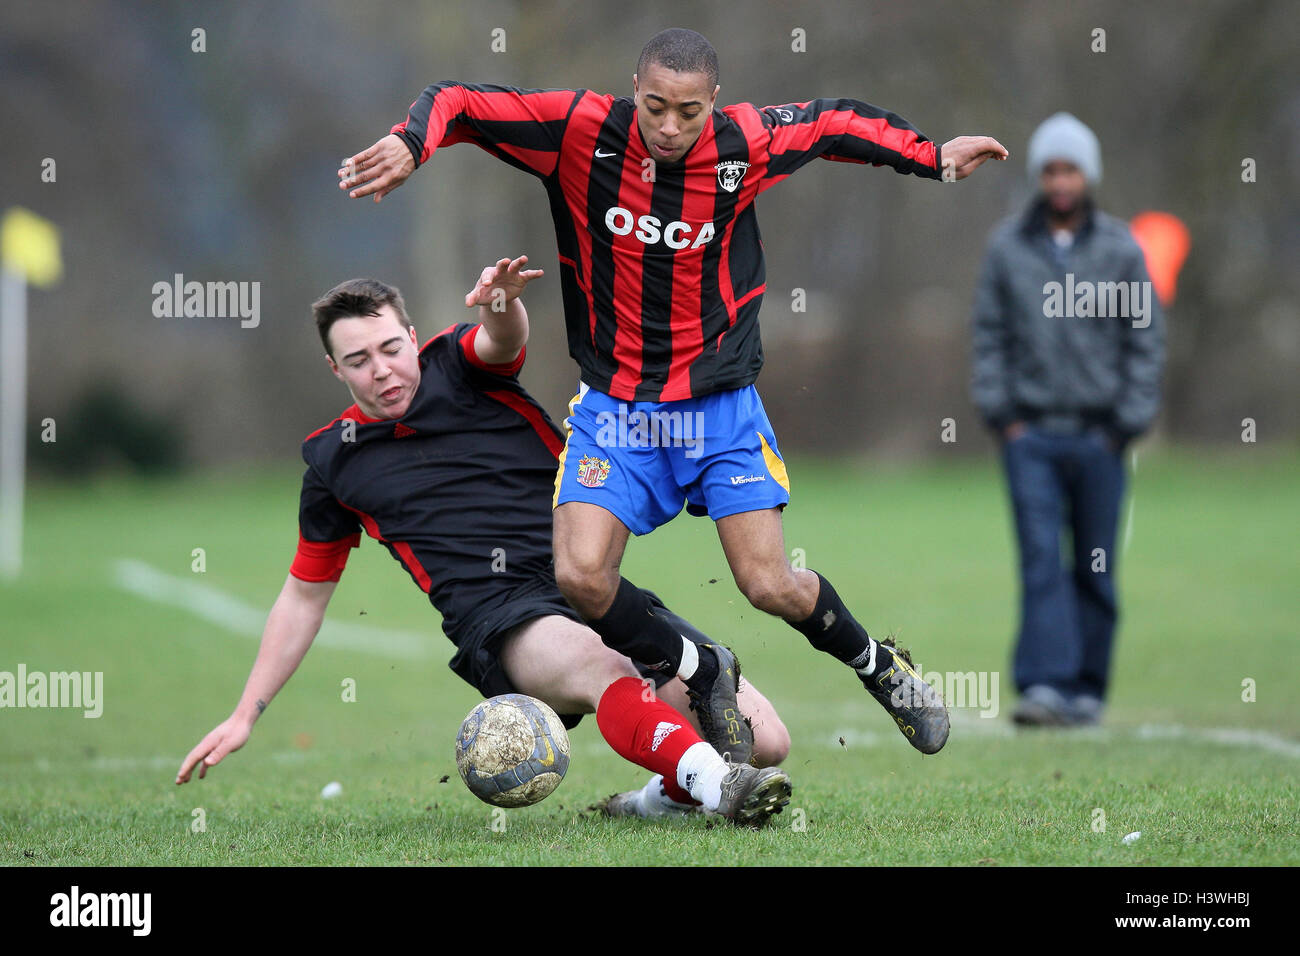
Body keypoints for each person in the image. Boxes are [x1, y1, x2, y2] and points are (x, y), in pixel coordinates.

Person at [339, 28, 1008, 757]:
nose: (668, 126)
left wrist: (932, 158)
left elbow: (833, 123)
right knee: (581, 575)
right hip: (617, 412)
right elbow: (462, 101)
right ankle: (699, 667)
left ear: (712, 103)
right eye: (655, 106)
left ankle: (880, 668)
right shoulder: (580, 132)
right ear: (635, 90)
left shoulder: (742, 146)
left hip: (719, 410)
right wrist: (414, 141)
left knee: (768, 584)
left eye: (688, 112)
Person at [175, 256, 792, 826]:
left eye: (391, 348)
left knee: (765, 738)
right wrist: (243, 714)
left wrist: (498, 302)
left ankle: (656, 802)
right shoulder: (332, 462)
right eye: (359, 360)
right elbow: (304, 597)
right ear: (335, 369)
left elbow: (503, 338)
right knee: (609, 670)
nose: (382, 369)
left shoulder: (458, 367)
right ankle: (721, 787)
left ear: (413, 339)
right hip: (501, 618)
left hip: (587, 580)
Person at [969, 112, 1165, 726]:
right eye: (1050, 169)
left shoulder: (1121, 248)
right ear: (1038, 176)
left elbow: (1146, 340)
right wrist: (1003, 416)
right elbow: (988, 337)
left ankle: (1087, 689)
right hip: (1030, 437)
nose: (1060, 181)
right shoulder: (1007, 248)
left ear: (1088, 174)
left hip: (1101, 439)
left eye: (1070, 169)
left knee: (1097, 564)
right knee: (1040, 562)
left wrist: (1126, 424)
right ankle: (1044, 686)